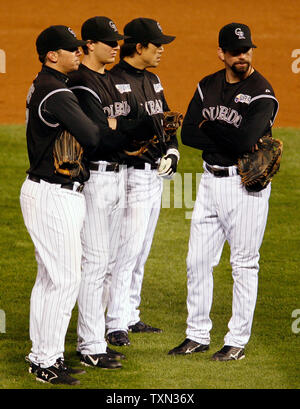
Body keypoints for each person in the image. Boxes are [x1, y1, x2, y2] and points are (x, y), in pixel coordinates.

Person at [168, 23, 279, 361]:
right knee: (196, 260)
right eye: (234, 51)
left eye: (246, 50)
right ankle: (197, 334)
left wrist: (211, 126)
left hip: (244, 186)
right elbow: (188, 135)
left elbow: (245, 142)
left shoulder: (262, 93)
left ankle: (237, 341)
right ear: (222, 53)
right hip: (208, 183)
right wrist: (223, 134)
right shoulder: (207, 86)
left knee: (244, 264)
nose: (242, 56)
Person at [20, 24, 120, 386]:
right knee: (64, 279)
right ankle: (47, 359)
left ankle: (41, 355)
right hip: (54, 194)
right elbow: (94, 136)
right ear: (52, 55)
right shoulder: (56, 92)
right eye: (72, 49)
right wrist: (104, 124)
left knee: (49, 279)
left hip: (48, 191)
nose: (79, 52)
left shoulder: (47, 85)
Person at [68, 16, 155, 364]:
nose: (116, 45)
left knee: (107, 261)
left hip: (118, 177)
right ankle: (89, 346)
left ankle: (97, 335)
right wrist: (132, 129)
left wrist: (121, 128)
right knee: (94, 264)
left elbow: (115, 127)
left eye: (117, 40)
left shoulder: (108, 80)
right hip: (95, 180)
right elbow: (99, 137)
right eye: (109, 41)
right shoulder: (82, 82)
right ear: (89, 45)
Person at [104, 17, 179, 346]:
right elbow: (114, 133)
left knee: (142, 250)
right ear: (139, 47)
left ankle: (130, 314)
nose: (162, 50)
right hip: (129, 177)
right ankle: (114, 322)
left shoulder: (154, 80)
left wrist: (173, 152)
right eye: (157, 44)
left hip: (154, 178)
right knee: (126, 250)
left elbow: (166, 121)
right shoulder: (113, 81)